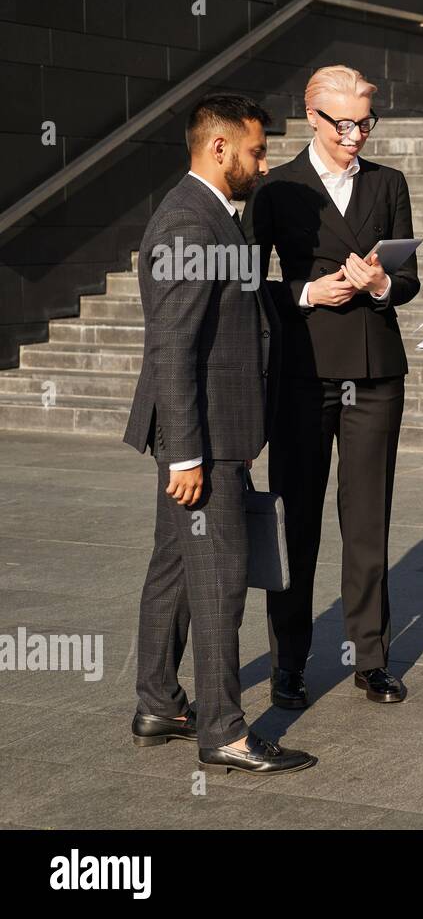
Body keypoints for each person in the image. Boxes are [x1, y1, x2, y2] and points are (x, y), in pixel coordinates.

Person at [125, 92, 315, 776]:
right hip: (204, 434)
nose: (264, 165)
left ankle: (157, 702)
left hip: (212, 425)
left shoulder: (216, 216)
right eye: (257, 151)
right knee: (221, 579)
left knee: (175, 569)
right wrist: (186, 454)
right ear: (218, 149)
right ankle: (226, 732)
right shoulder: (188, 223)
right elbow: (172, 350)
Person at [241, 66, 420, 707]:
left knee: (367, 518)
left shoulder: (388, 183)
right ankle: (290, 660)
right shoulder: (275, 188)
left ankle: (371, 658)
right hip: (301, 369)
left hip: (374, 371)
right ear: (312, 117)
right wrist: (308, 292)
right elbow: (241, 282)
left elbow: (408, 280)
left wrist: (379, 286)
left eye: (365, 122)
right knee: (297, 519)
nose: (356, 135)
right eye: (344, 123)